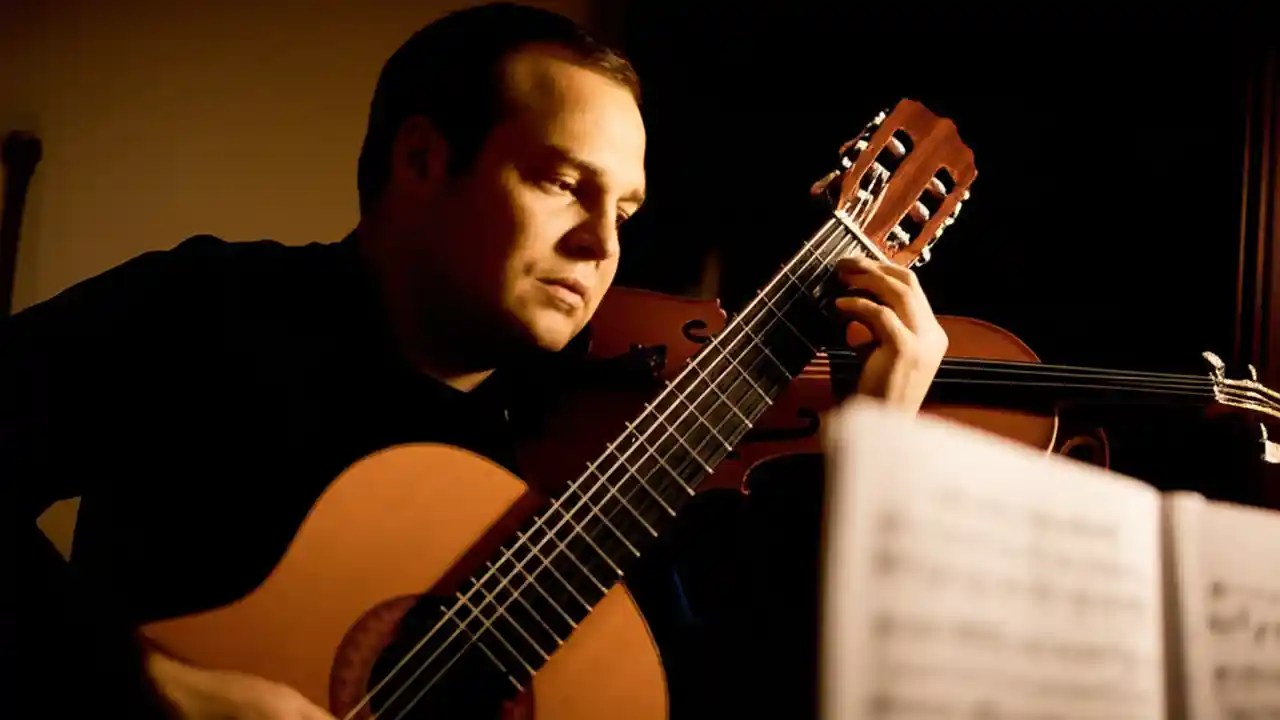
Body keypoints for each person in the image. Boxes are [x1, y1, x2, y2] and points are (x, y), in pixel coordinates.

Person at [1, 3, 948, 718]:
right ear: (420, 161)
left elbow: (730, 683)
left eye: (623, 212)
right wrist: (159, 687)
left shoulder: (597, 444)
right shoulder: (204, 311)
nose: (600, 246)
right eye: (562, 183)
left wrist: (877, 459)